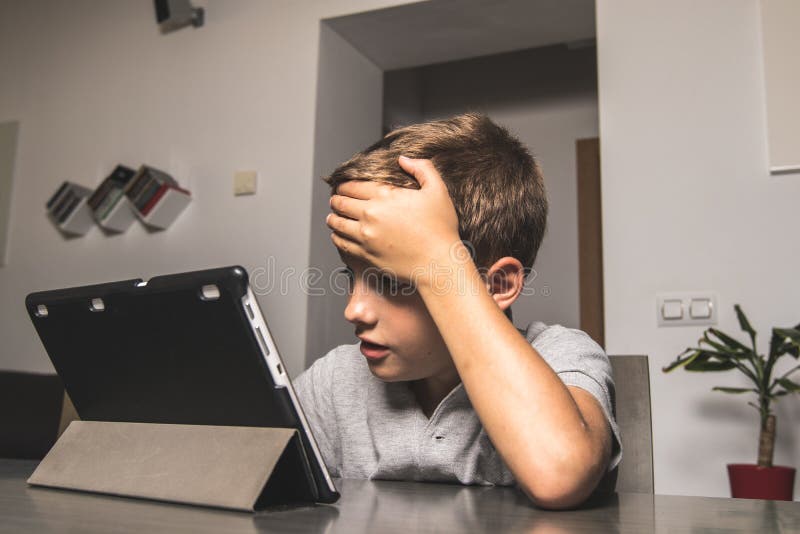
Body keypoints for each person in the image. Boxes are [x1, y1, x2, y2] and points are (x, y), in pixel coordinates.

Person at [295, 113, 621, 509]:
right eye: (353, 277)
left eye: (395, 281)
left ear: (497, 285)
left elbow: (559, 475)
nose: (354, 309)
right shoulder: (336, 380)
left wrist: (438, 256)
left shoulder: (561, 353)